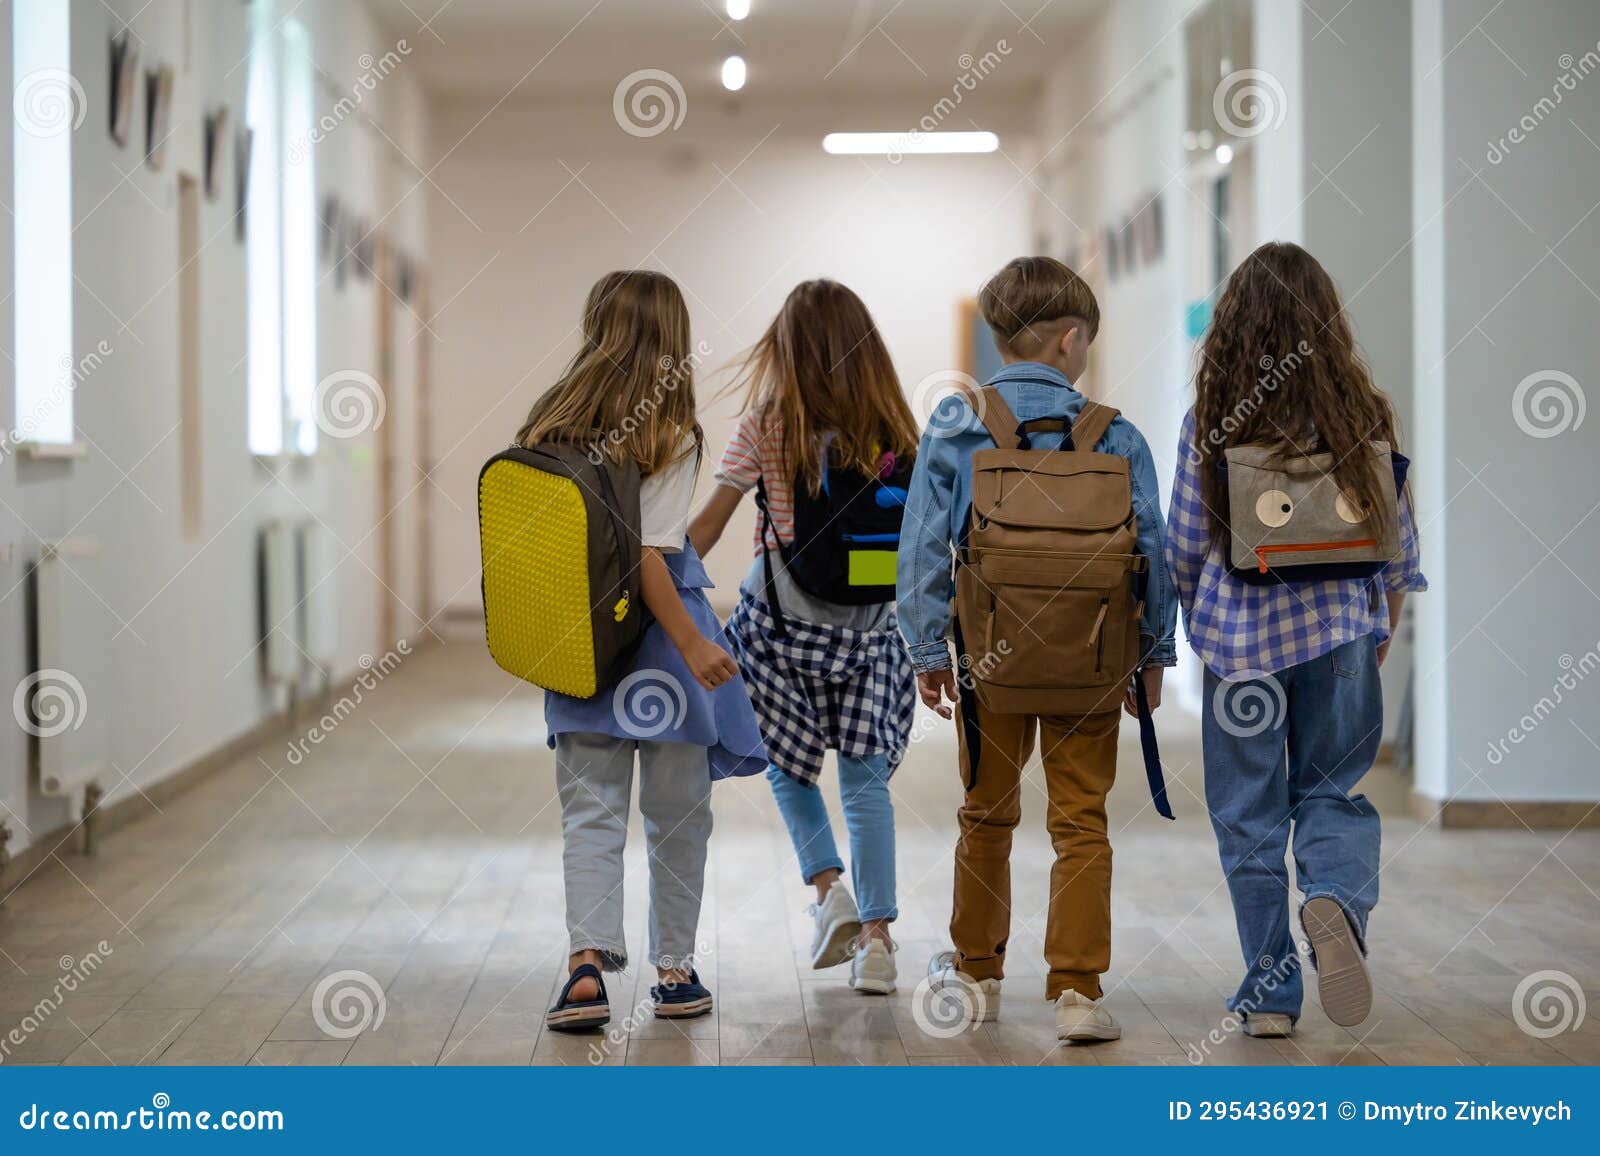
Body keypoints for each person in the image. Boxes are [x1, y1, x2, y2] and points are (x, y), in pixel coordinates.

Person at [896, 257, 1178, 1042]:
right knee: (1081, 820)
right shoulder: (1117, 434)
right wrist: (1154, 655)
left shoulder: (956, 425)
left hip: (990, 664)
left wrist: (928, 652)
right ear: (1070, 338)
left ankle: (978, 976)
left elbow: (922, 548)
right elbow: (1155, 554)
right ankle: (1078, 992)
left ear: (1000, 337)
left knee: (985, 813)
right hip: (1093, 660)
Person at [1167, 241, 1426, 1037]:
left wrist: (1195, 628)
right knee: (1332, 791)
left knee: (1248, 815)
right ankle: (1334, 901)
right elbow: (1396, 538)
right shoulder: (1361, 412)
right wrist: (1383, 619)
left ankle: (1270, 996)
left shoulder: (1211, 419)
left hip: (1241, 647)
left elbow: (1183, 544)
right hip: (1343, 636)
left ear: (1233, 327)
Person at [530, 270, 766, 1033]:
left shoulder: (551, 423)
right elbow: (650, 554)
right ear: (672, 340)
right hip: (663, 655)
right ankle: (674, 972)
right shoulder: (668, 430)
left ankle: (585, 972)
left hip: (582, 649)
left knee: (590, 814)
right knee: (678, 817)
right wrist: (694, 642)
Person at [689, 280, 918, 994]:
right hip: (868, 635)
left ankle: (828, 892)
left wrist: (656, 583)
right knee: (865, 780)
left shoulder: (769, 423)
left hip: (780, 630)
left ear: (787, 349)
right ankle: (878, 941)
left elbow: (711, 524)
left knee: (787, 768)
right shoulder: (895, 428)